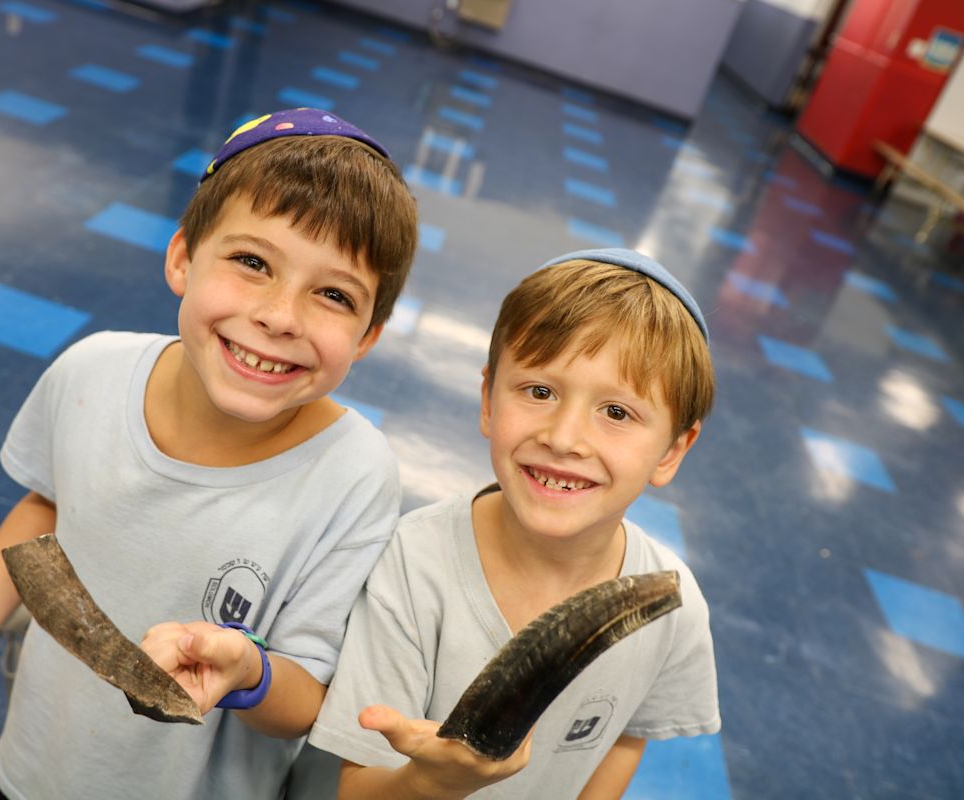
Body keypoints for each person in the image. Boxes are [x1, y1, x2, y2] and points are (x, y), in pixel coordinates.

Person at [0, 108, 418, 799]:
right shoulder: (90, 374)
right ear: (183, 257)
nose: (281, 316)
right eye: (253, 262)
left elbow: (308, 700)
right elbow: (46, 511)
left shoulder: (355, 475)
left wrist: (247, 672)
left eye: (334, 295)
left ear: (369, 335)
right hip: (36, 768)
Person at [305, 248, 721, 798]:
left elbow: (626, 737)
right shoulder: (412, 565)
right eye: (540, 391)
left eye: (617, 412)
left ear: (672, 450)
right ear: (487, 399)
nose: (564, 438)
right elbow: (357, 789)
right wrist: (434, 782)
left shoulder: (670, 606)